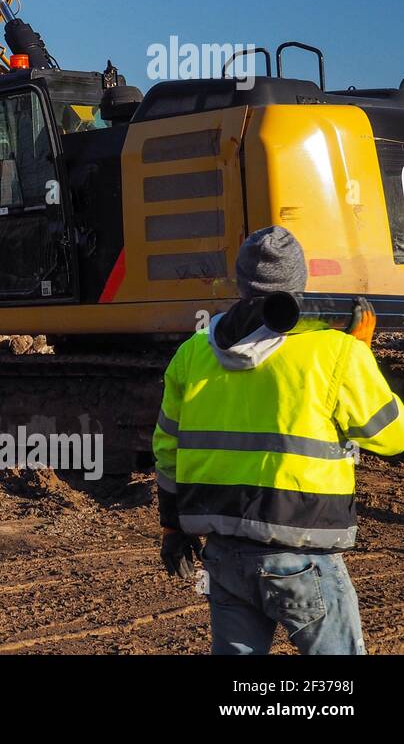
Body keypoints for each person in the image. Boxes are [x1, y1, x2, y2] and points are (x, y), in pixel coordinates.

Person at [154, 225, 404, 654]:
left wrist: (172, 526)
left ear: (240, 283)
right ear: (300, 283)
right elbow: (390, 435)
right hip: (302, 555)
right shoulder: (335, 352)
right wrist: (360, 352)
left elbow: (167, 451)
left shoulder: (192, 353)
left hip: (225, 553)